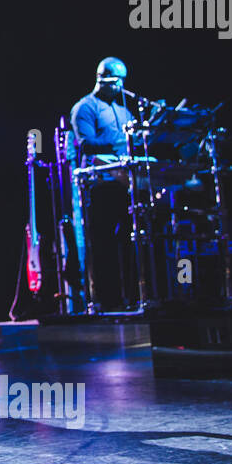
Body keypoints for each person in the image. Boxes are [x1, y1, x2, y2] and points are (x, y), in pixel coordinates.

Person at [69, 56, 134, 311]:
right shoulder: (85, 107)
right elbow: (86, 143)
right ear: (102, 79)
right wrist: (120, 139)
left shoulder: (123, 110)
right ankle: (107, 301)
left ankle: (132, 295)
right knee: (103, 243)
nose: (118, 87)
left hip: (125, 183)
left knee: (131, 241)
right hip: (100, 185)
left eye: (121, 82)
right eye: (114, 81)